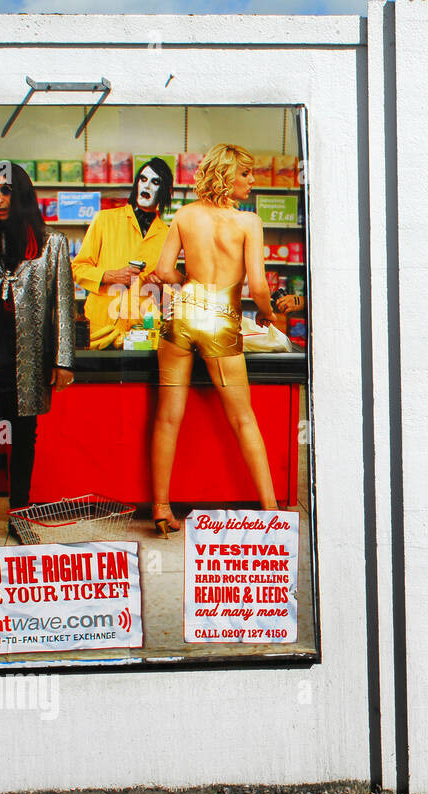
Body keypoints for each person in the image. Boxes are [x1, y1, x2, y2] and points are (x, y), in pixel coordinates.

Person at [151, 143, 278, 535]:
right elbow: (257, 284)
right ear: (226, 176)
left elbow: (161, 270)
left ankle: (160, 509)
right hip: (221, 320)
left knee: (168, 417)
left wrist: (189, 284)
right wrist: (268, 312)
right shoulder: (248, 223)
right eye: (245, 174)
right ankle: (272, 510)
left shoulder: (185, 215)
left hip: (183, 315)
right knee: (243, 419)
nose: (251, 181)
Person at [0, 160, 74, 547]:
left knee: (25, 440)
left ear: (21, 194)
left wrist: (63, 359)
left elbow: (61, 304)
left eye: (5, 190)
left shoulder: (50, 243)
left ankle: (20, 516)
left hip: (28, 358)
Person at [71, 157, 173, 345]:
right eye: (143, 179)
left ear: (165, 191)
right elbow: (77, 269)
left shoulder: (168, 235)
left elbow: (167, 293)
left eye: (155, 182)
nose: (147, 186)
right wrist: (111, 276)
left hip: (141, 331)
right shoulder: (104, 220)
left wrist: (159, 286)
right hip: (100, 328)